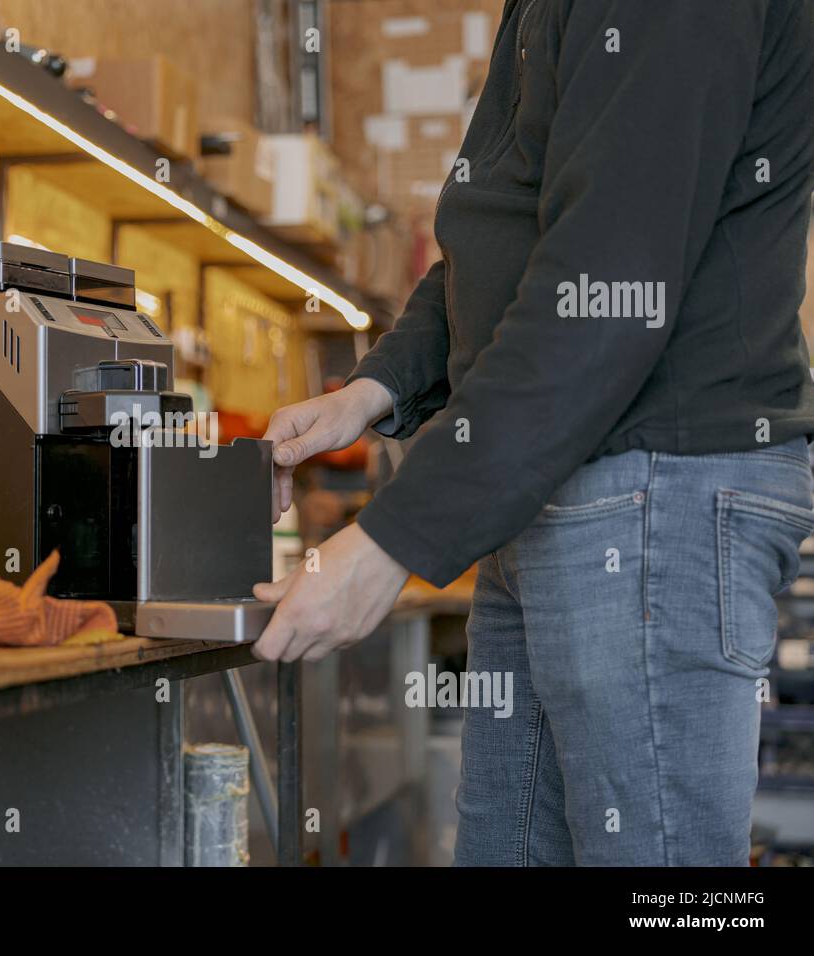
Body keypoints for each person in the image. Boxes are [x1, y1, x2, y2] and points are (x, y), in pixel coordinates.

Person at [253, 0, 814, 866]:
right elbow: (511, 241)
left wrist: (390, 541)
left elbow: (600, 290)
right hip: (564, 490)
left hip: (651, 495)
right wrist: (375, 388)